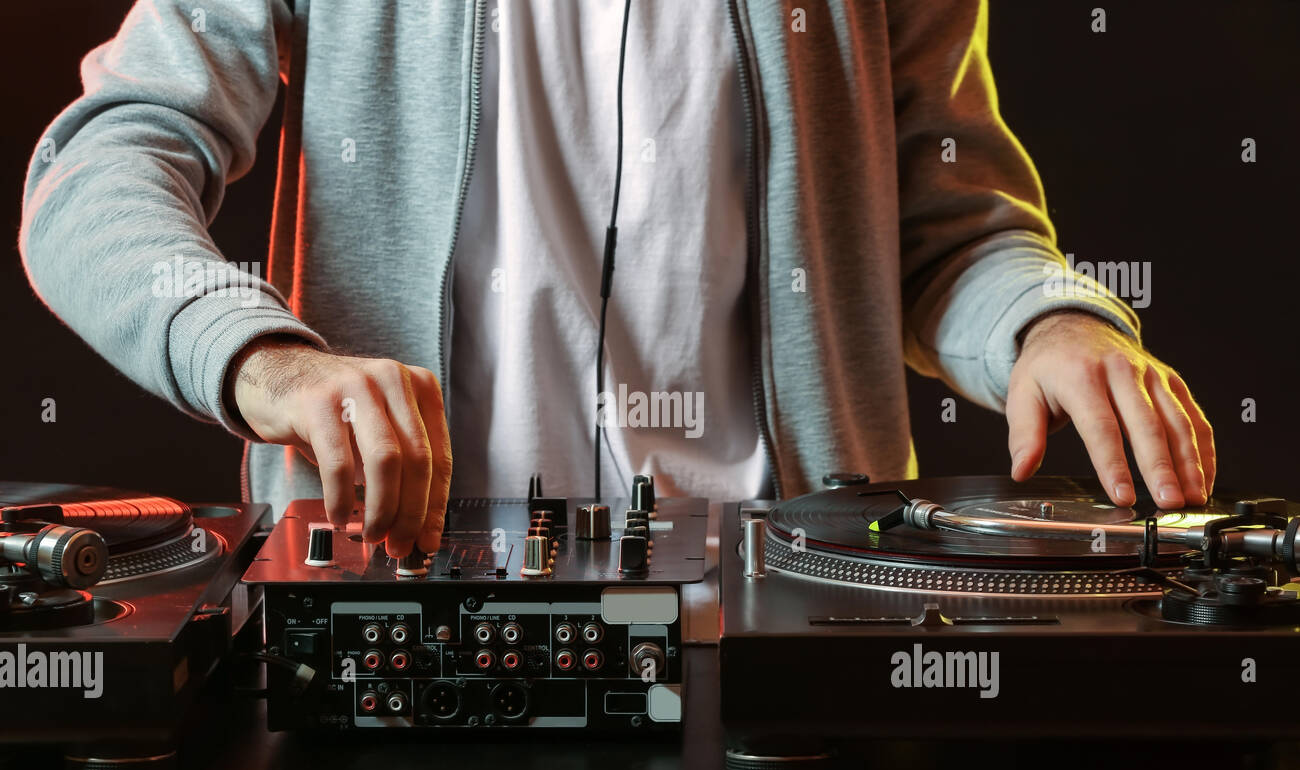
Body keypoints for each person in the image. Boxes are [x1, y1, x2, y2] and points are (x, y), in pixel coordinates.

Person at [20, 0, 1215, 562]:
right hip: (391, 593)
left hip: (782, 616)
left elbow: (947, 230)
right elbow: (97, 168)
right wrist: (259, 358)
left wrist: (1046, 321)